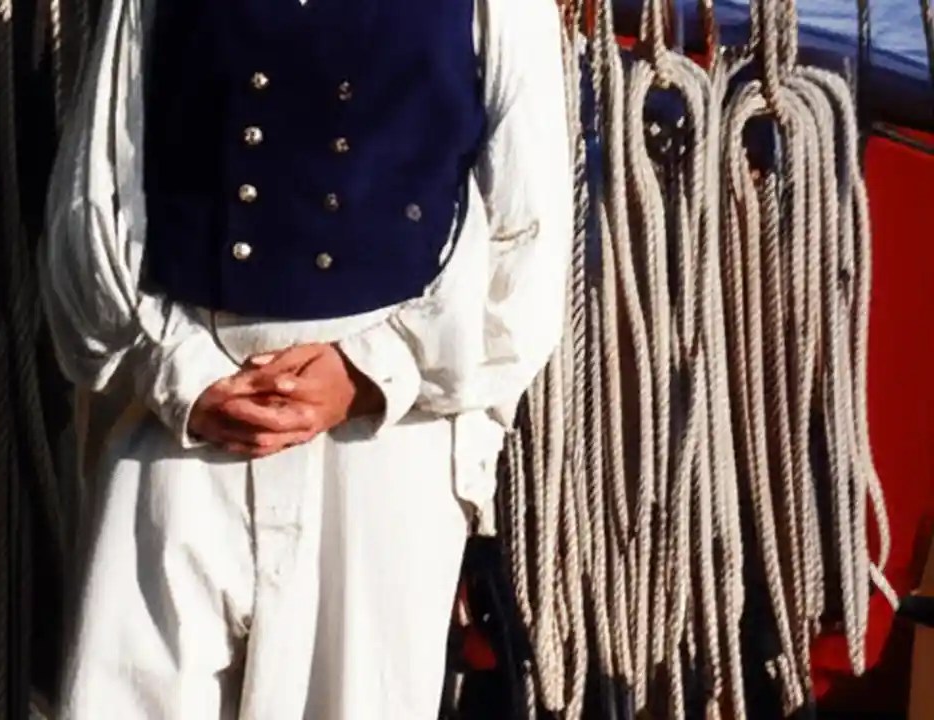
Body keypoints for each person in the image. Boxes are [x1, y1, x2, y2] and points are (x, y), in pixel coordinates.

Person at [41, 0, 572, 716]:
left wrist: (372, 372)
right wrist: (175, 369)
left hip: (384, 443)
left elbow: (527, 232)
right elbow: (98, 179)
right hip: (182, 412)